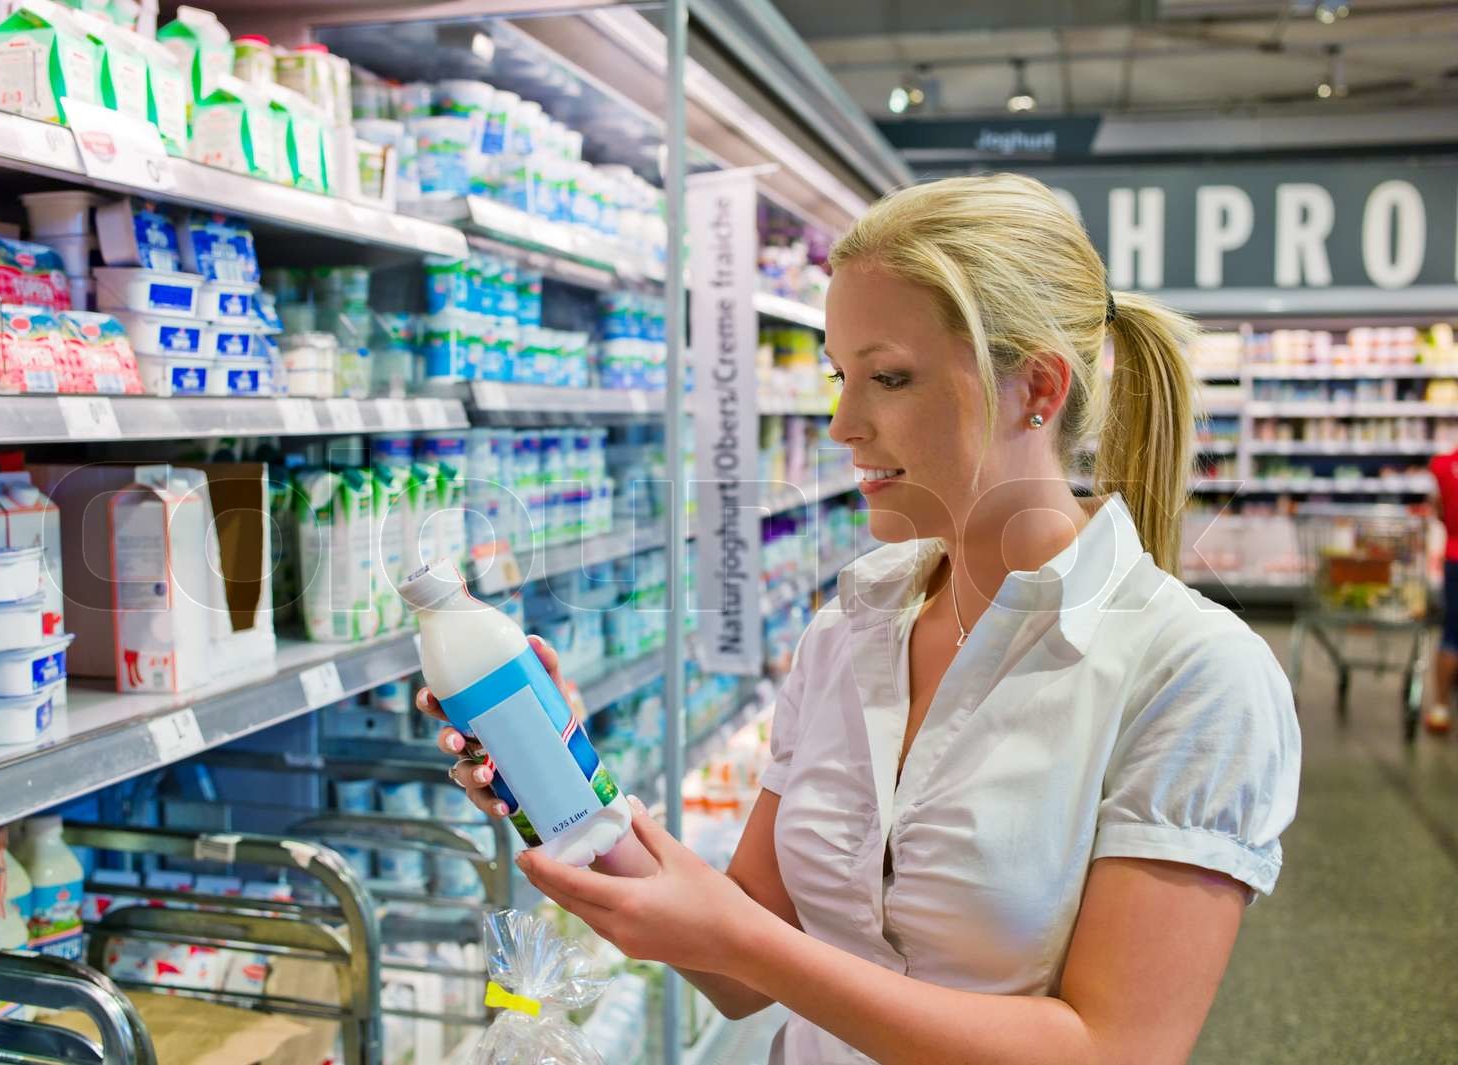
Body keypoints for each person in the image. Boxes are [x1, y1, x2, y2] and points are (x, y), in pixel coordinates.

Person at [418, 173, 1303, 1065]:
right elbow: (743, 974)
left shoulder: (1194, 675)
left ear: (1036, 386)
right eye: (840, 375)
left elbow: (1113, 1050)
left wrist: (743, 942)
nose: (842, 423)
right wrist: (569, 795)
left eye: (887, 377)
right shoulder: (847, 630)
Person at [1426, 444, 1458, 733]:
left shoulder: (1444, 464)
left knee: (1451, 634)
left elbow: (1439, 511)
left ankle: (1440, 709)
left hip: (1454, 557)